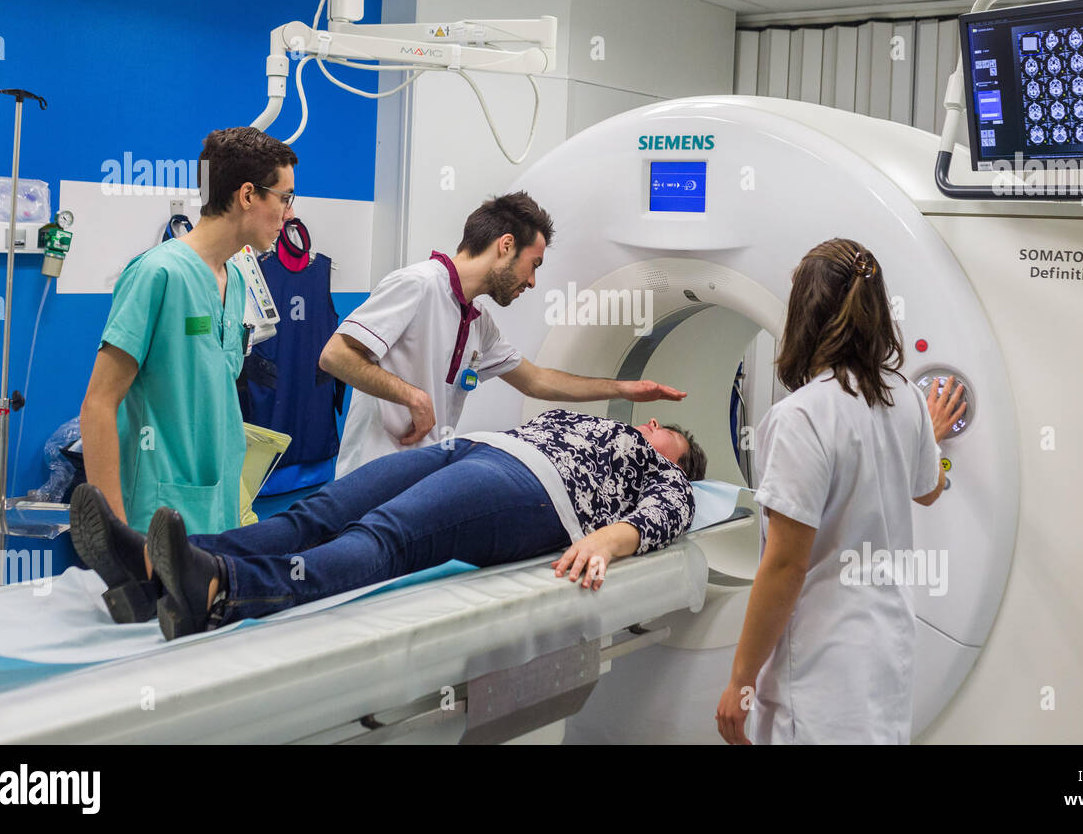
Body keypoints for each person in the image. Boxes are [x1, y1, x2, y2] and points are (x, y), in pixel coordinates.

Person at [69, 409, 708, 640]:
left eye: (668, 440)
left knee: (383, 537)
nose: (653, 433)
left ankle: (223, 588)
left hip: (535, 493)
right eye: (655, 427)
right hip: (478, 447)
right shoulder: (597, 421)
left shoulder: (666, 478)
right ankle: (151, 570)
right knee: (315, 512)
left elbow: (663, 516)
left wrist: (604, 540)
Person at [715, 238, 966, 745]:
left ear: (803, 315)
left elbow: (786, 565)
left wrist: (741, 681)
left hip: (820, 665)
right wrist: (931, 441)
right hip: (886, 651)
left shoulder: (800, 416)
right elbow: (929, 490)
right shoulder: (905, 402)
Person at [77, 128, 297, 622]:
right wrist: (117, 536)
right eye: (284, 198)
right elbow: (98, 403)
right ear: (247, 196)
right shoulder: (158, 274)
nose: (289, 215)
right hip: (154, 517)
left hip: (218, 512)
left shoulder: (236, 278)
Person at [320, 192, 688, 477]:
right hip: (369, 473)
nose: (531, 281)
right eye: (534, 265)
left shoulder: (479, 321)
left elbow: (537, 381)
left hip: (418, 476)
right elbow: (335, 355)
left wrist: (626, 388)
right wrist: (412, 396)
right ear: (506, 245)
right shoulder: (418, 284)